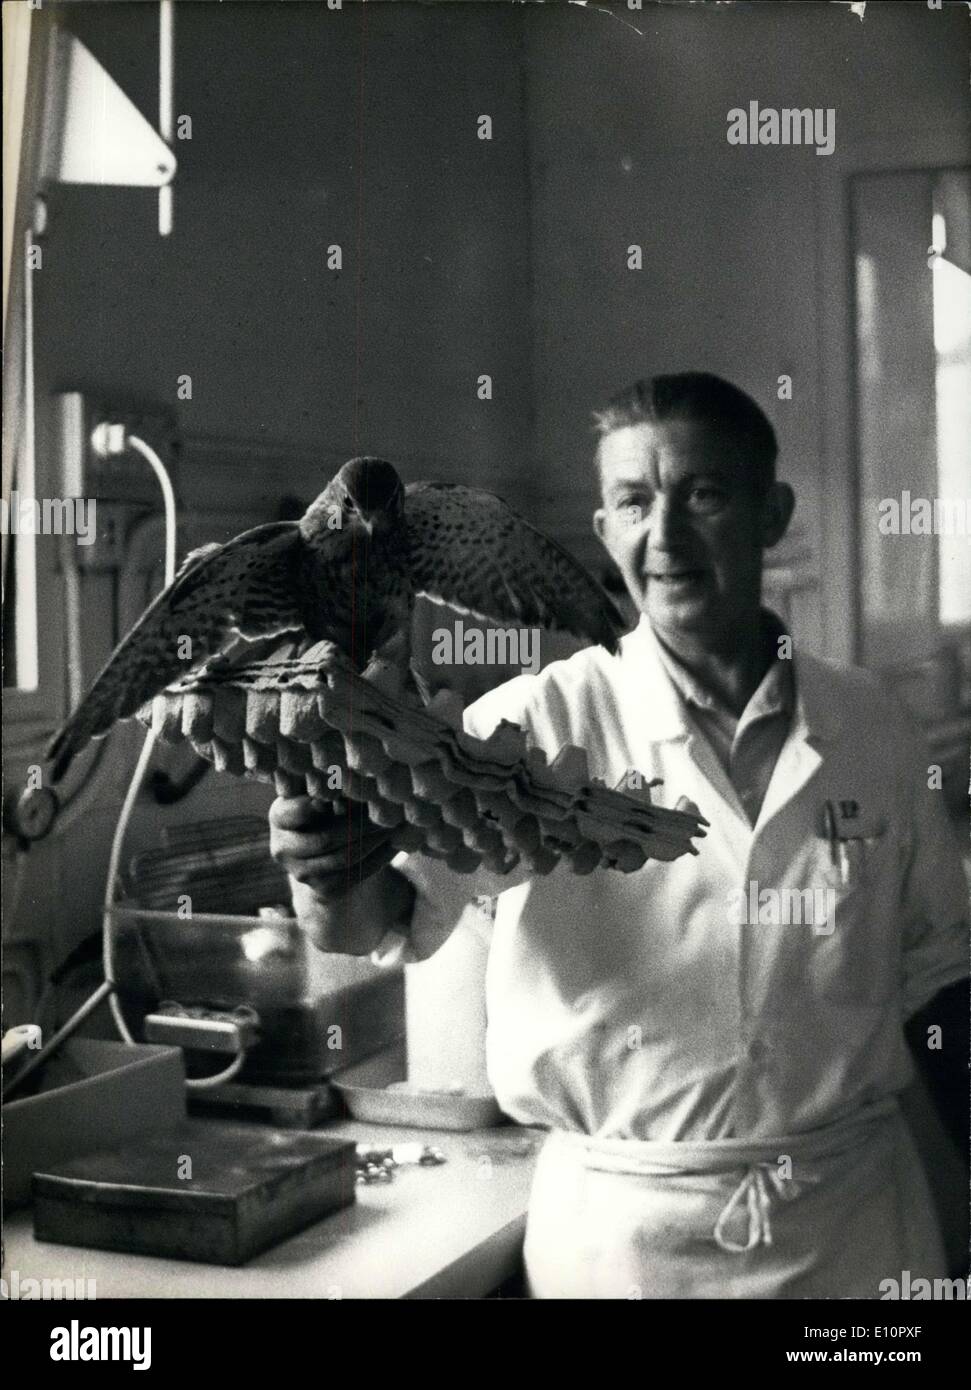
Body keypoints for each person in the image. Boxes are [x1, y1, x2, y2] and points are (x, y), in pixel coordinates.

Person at [270, 373, 969, 1298]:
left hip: (847, 1239)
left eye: (703, 496)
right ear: (604, 533)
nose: (665, 537)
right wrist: (325, 861)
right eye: (634, 503)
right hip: (622, 1251)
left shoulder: (871, 727)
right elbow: (376, 922)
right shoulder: (532, 728)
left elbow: (939, 978)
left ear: (771, 515)